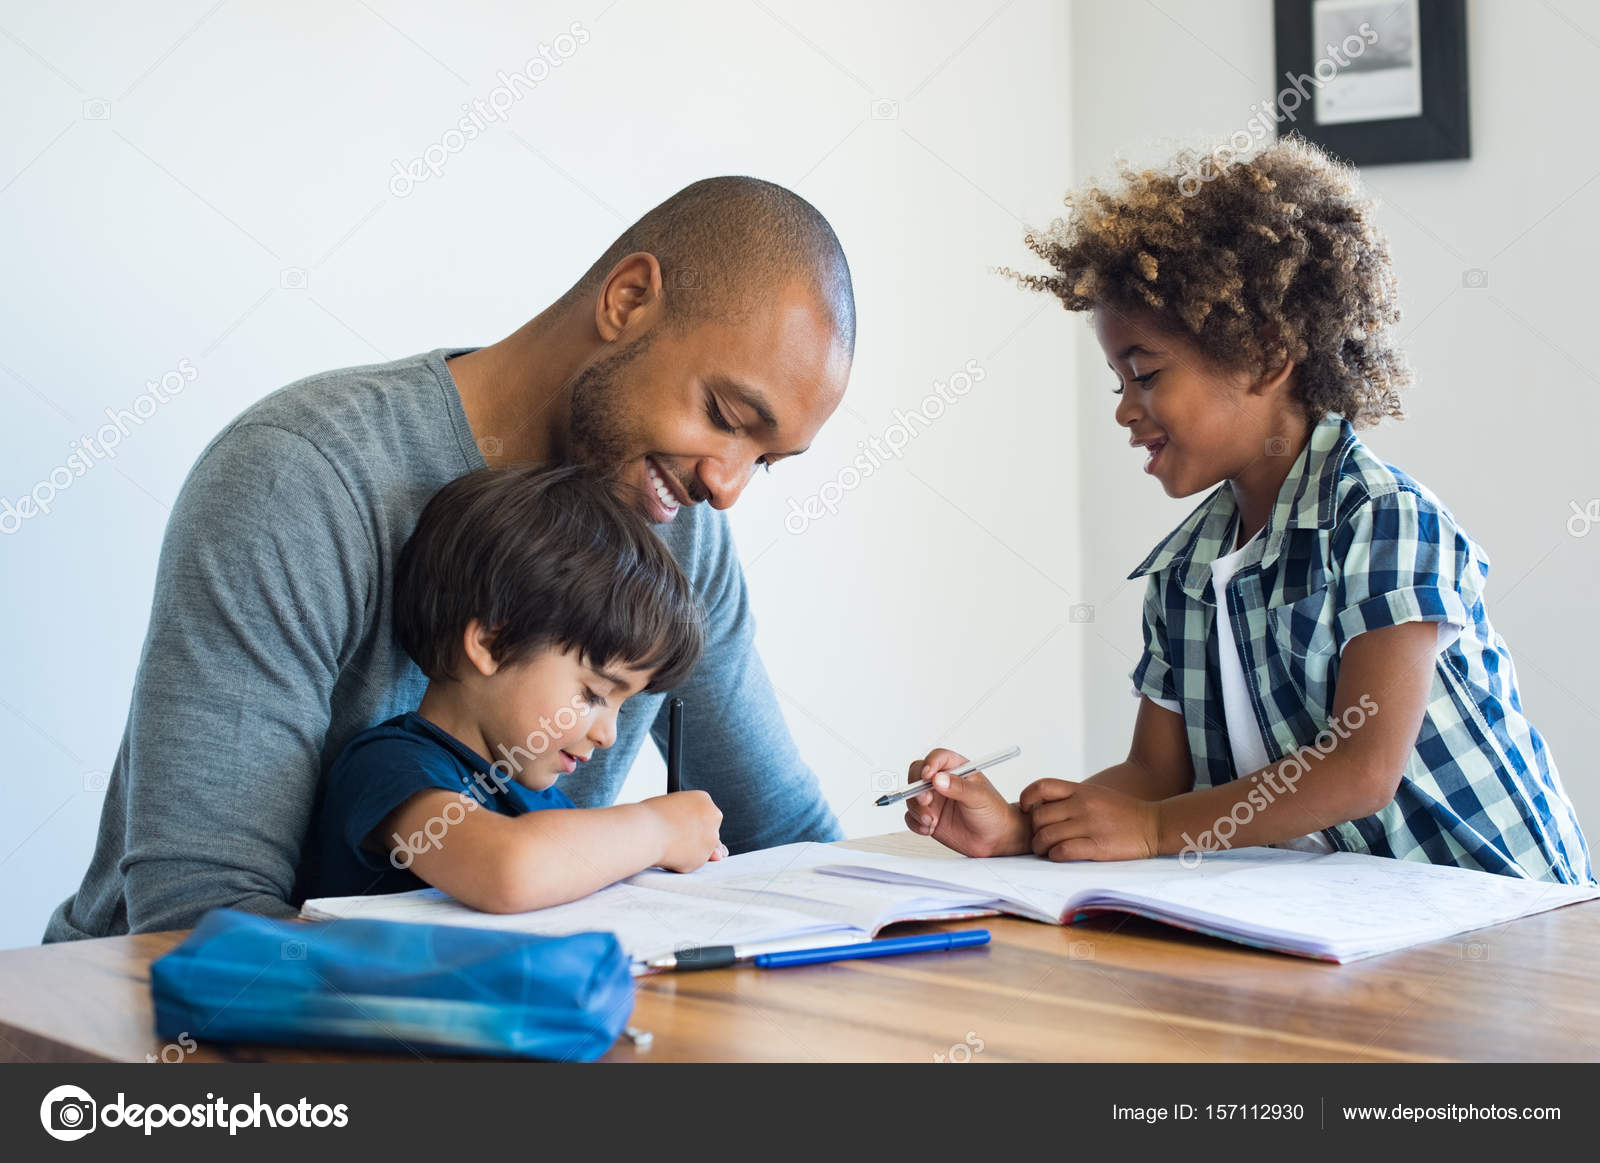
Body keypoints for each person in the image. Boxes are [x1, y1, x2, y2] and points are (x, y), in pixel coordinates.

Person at [46, 175, 855, 940]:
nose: (727, 486)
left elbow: (788, 842)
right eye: (724, 414)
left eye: (765, 460)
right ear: (629, 299)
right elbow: (199, 915)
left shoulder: (678, 536)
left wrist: (977, 852)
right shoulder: (301, 478)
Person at [903, 137, 1593, 884]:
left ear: (1265, 355)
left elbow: (1363, 769)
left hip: (1509, 915)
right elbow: (1152, 775)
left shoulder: (1382, 519)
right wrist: (1019, 830)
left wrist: (1158, 829)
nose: (1126, 412)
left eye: (1146, 375)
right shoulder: (1182, 573)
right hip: (1353, 929)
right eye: (1117, 385)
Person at [310, 464, 724, 911]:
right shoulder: (392, 769)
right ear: (493, 644)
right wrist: (655, 830)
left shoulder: (546, 804)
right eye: (595, 694)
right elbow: (507, 871)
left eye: (621, 707)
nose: (609, 735)